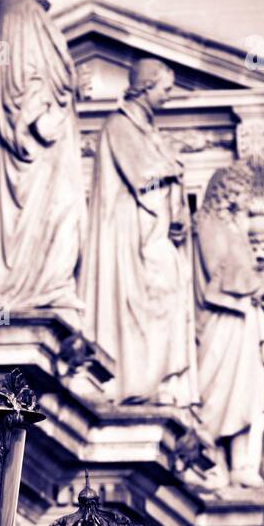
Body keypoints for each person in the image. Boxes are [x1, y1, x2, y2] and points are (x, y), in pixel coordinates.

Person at [0, 0, 85, 312]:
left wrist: (71, 86)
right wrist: (33, 114)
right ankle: (34, 288)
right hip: (37, 134)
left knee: (68, 210)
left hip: (54, 133)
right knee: (58, 208)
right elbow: (9, 64)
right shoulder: (15, 8)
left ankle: (52, 284)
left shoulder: (32, 12)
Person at [79, 59, 191, 406]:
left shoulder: (150, 131)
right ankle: (136, 381)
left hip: (154, 233)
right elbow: (144, 178)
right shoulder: (119, 125)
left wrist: (179, 213)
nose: (168, 96)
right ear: (145, 87)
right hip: (130, 237)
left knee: (169, 292)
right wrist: (170, 170)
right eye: (165, 89)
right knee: (143, 301)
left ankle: (159, 381)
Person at [194, 164, 264, 485]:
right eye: (240, 193)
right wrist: (255, 284)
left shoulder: (235, 230)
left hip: (243, 321)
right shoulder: (208, 223)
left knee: (247, 391)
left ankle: (240, 464)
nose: (244, 201)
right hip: (221, 321)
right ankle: (208, 460)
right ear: (226, 192)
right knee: (216, 392)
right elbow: (218, 269)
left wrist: (259, 282)